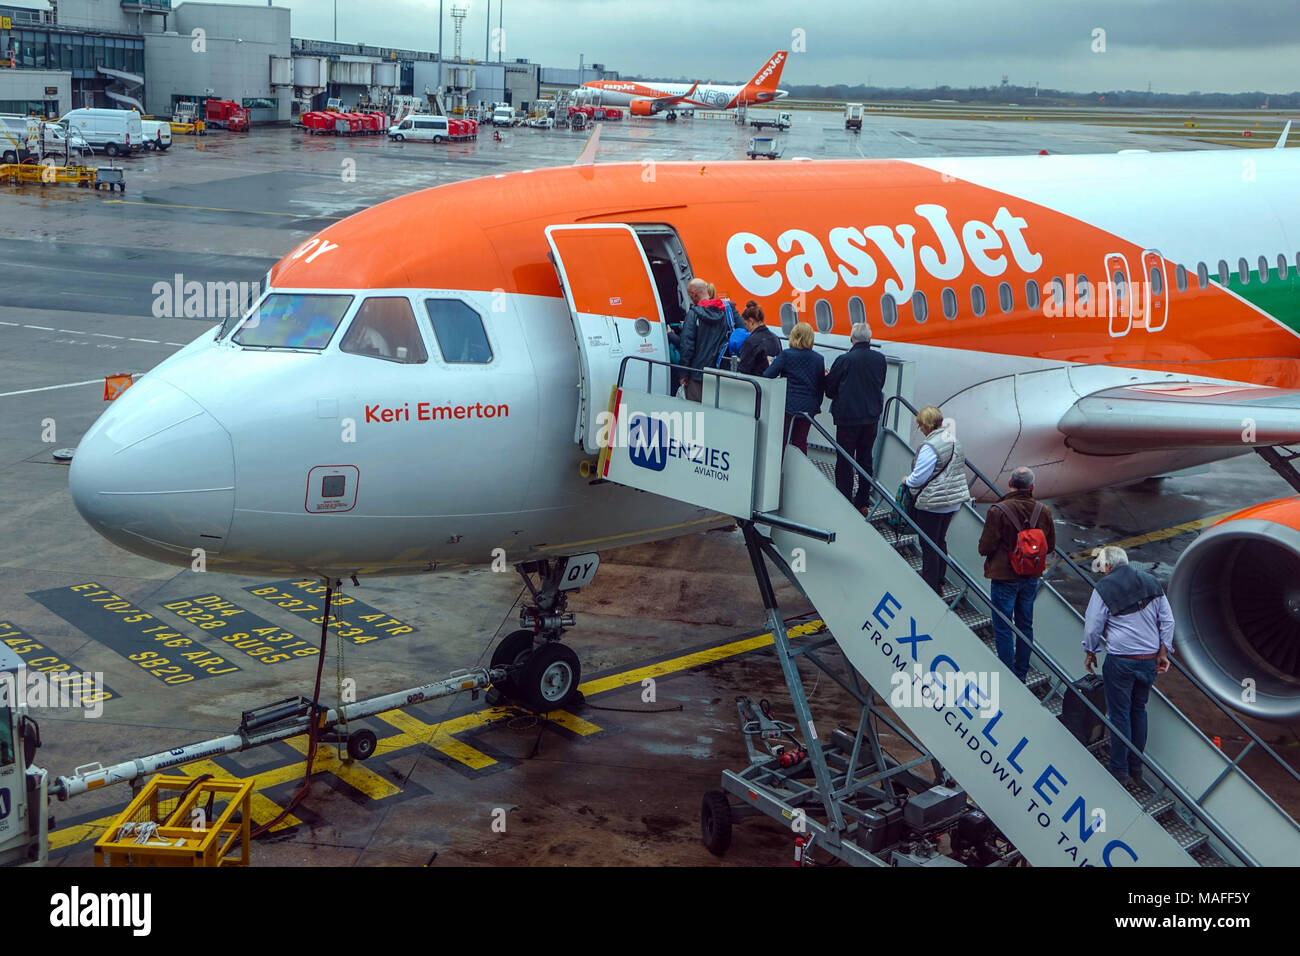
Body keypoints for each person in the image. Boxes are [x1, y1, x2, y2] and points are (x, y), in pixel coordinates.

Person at [1083, 546, 1172, 784]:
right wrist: (1163, 651)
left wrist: (1090, 650)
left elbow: (1093, 626)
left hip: (1121, 661)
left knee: (1119, 715)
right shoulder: (1151, 582)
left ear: (1109, 566)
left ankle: (1119, 770)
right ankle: (1136, 769)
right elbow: (1167, 620)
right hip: (1148, 662)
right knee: (1138, 712)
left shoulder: (1104, 588)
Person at [978, 466, 1056, 683]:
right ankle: (1021, 673)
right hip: (1031, 575)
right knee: (1025, 624)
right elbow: (1049, 546)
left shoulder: (998, 511)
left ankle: (1007, 673)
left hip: (1004, 576)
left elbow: (985, 547)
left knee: (1003, 625)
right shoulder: (1043, 511)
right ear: (1032, 487)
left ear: (1010, 484)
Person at [904, 405, 969, 595]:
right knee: (940, 540)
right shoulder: (954, 440)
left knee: (928, 544)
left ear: (927, 425)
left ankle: (931, 585)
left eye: (921, 426)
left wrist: (906, 480)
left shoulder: (930, 447)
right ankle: (939, 578)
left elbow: (919, 477)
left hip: (933, 503)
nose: (921, 430)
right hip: (952, 500)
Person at [824, 322, 887, 514]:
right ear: (869, 339)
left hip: (847, 419)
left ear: (852, 339)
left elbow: (829, 390)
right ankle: (862, 502)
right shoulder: (880, 359)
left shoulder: (844, 360)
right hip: (870, 418)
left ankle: (844, 499)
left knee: (845, 461)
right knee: (865, 459)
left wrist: (828, 378)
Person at [762, 321, 825, 454]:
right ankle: (799, 472)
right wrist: (815, 405)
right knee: (800, 442)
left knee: (782, 441)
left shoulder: (787, 355)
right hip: (809, 407)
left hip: (788, 406)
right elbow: (821, 386)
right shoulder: (819, 359)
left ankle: (779, 471)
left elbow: (768, 375)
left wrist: (771, 363)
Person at [678, 277, 729, 402]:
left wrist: (684, 373)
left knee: (695, 412)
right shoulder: (725, 312)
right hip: (719, 372)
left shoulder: (693, 314)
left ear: (694, 294)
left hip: (697, 373)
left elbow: (687, 346)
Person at [735, 301, 780, 375]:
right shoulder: (775, 338)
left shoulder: (750, 342)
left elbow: (743, 369)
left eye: (745, 324)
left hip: (755, 383)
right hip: (773, 383)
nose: (746, 328)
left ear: (751, 321)